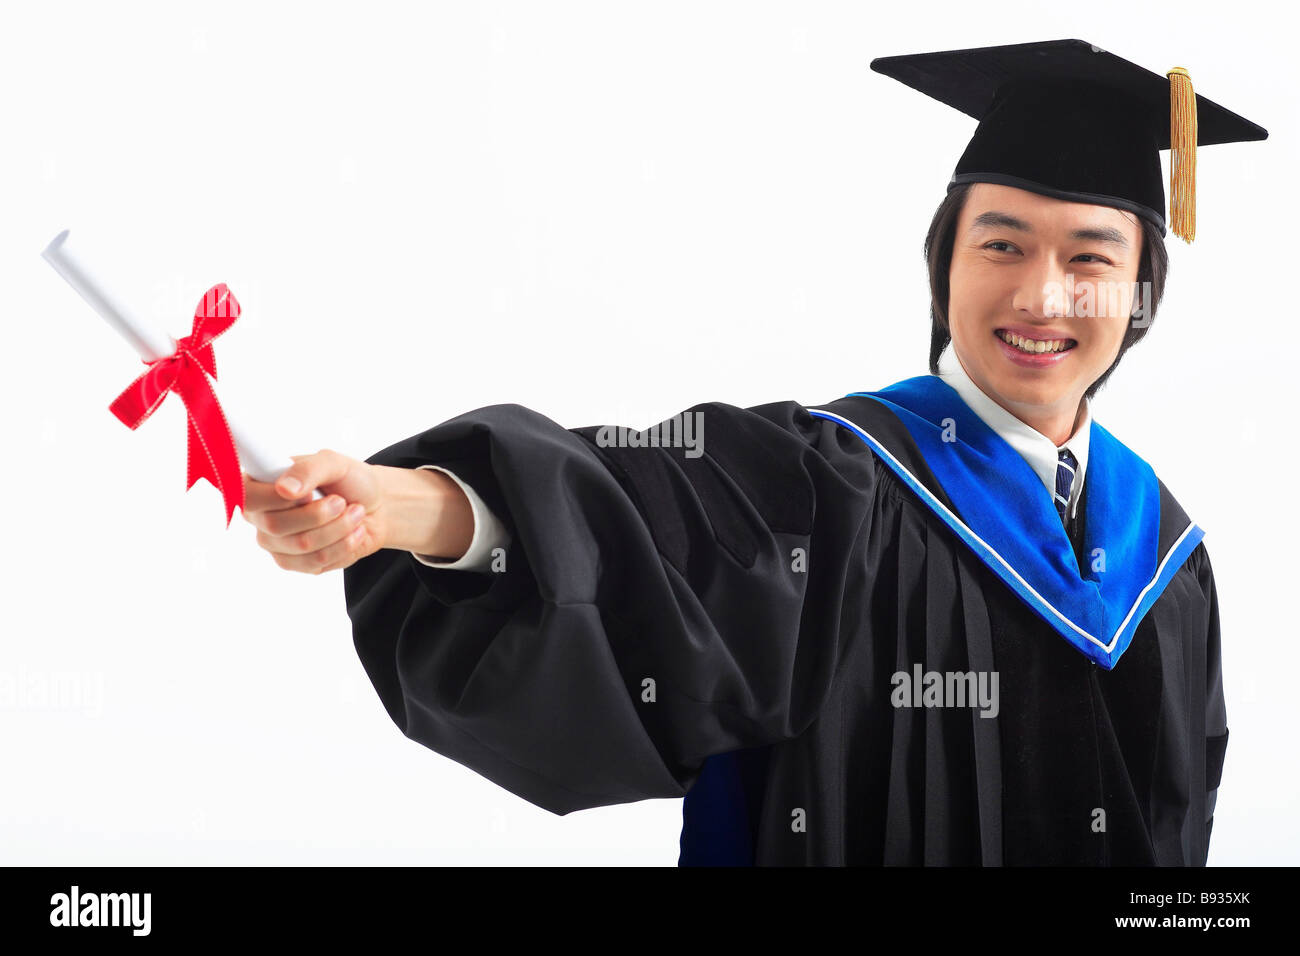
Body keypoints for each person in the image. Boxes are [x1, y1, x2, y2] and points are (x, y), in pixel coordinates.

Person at [241, 39, 1266, 865]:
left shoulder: (1166, 557)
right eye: (1001, 244)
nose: (1041, 295)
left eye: (1089, 256)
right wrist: (420, 508)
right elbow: (643, 516)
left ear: (1138, 294)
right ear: (944, 264)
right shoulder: (834, 481)